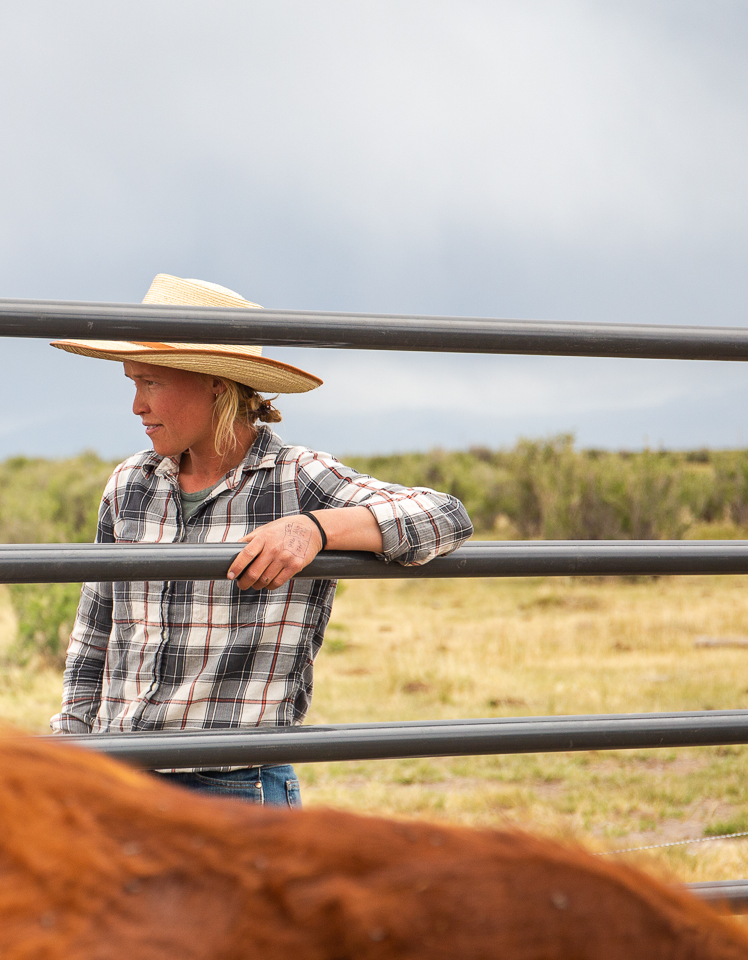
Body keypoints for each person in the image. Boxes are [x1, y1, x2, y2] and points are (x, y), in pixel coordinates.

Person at [48, 274, 473, 807]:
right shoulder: (131, 483)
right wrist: (68, 751)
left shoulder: (296, 479)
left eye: (151, 383)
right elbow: (94, 633)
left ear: (215, 384)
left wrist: (315, 528)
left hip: (233, 780)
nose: (137, 405)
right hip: (120, 777)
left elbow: (446, 515)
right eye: (133, 383)